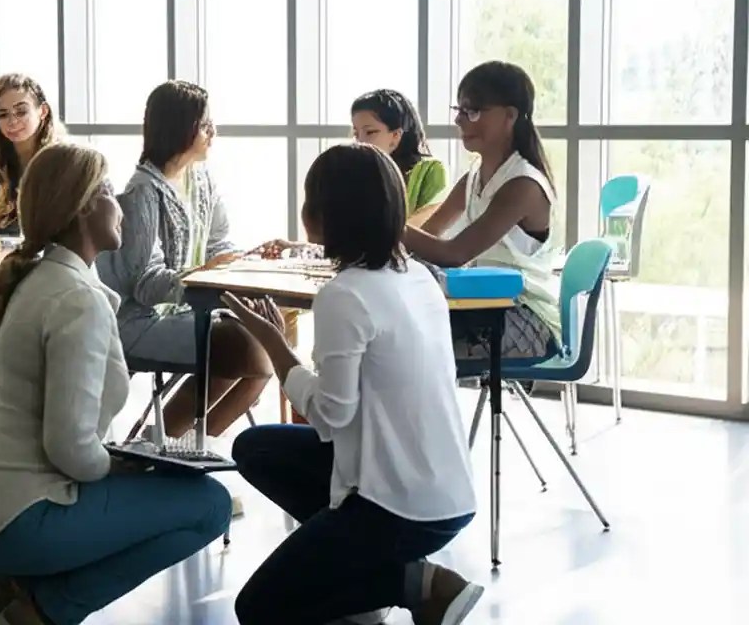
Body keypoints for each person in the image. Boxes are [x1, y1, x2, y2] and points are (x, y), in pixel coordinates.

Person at [0, 144, 231, 625]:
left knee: (164, 488)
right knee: (209, 504)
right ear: (83, 207)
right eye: (108, 193)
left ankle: (18, 586)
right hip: (18, 519)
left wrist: (117, 462)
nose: (119, 205)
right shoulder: (77, 298)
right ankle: (46, 608)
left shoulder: (34, 278)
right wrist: (117, 467)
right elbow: (69, 447)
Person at [223, 142, 482, 625]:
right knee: (256, 448)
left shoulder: (345, 295)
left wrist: (275, 345)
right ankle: (362, 573)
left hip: (399, 506)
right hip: (448, 492)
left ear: (324, 214)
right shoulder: (420, 276)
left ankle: (416, 583)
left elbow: (329, 417)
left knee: (257, 607)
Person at [98, 80, 272, 440]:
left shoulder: (201, 178)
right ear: (181, 127)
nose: (213, 132)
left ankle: (178, 444)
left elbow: (218, 242)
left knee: (266, 343)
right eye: (205, 125)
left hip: (192, 310)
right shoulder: (142, 192)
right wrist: (206, 277)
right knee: (252, 351)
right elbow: (145, 285)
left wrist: (235, 263)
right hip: (142, 320)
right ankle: (159, 443)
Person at [403, 61, 560, 361]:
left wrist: (387, 223)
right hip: (482, 306)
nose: (460, 121)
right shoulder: (474, 176)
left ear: (510, 116)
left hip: (523, 318)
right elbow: (430, 233)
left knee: (404, 348)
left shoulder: (523, 184)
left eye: (472, 111)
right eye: (459, 111)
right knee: (395, 334)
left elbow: (454, 253)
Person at [0, 73, 66, 357]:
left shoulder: (63, 160)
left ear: (42, 112)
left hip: (52, 264)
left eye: (21, 111)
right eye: (3, 114)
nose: (13, 121)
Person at [351, 89, 446, 225]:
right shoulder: (354, 173)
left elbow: (426, 225)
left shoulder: (430, 170)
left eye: (370, 132)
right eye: (356, 134)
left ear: (396, 135)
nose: (360, 141)